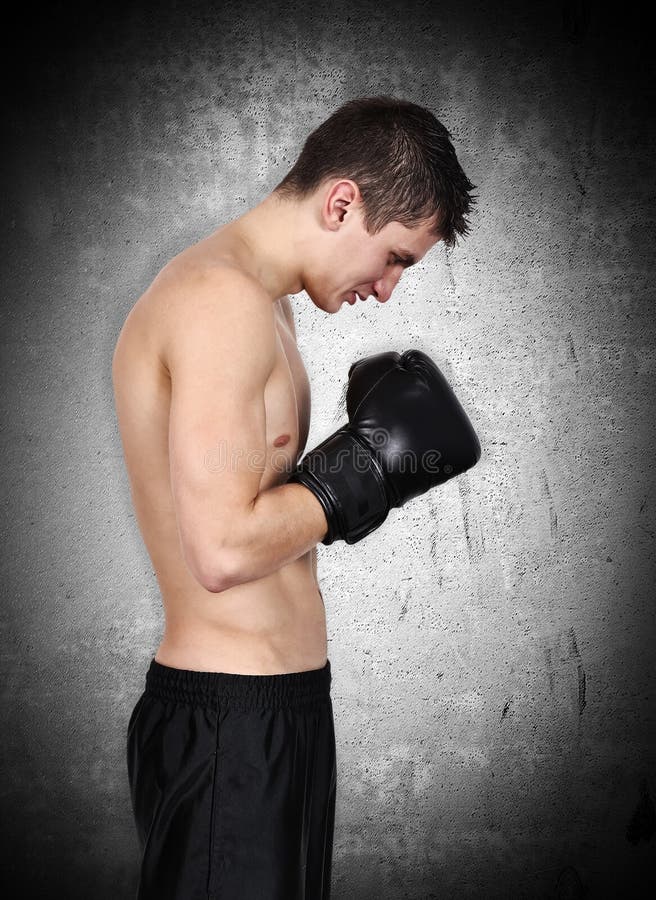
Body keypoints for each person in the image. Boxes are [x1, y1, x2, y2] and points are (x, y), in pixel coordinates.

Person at [112, 95, 478, 900]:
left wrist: (364, 471)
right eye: (395, 259)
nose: (386, 291)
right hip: (229, 729)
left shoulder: (262, 303)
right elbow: (220, 550)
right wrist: (372, 465)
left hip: (275, 716)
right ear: (342, 201)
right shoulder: (220, 304)